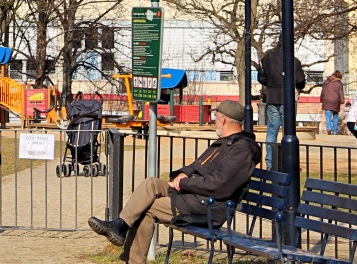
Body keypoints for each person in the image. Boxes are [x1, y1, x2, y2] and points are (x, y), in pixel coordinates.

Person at [88, 100, 260, 264]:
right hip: (193, 195)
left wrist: (184, 184)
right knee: (151, 184)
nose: (214, 121)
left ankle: (131, 256)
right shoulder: (225, 143)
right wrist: (182, 174)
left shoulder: (241, 149)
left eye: (216, 117)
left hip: (206, 207)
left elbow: (219, 185)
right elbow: (196, 166)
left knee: (146, 209)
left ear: (223, 119)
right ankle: (120, 225)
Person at [257, 44, 307, 169]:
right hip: (288, 99)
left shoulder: (266, 60)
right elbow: (300, 80)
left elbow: (261, 78)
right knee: (288, 131)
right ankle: (288, 160)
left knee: (272, 131)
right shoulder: (293, 60)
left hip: (272, 97)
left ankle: (270, 163)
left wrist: (271, 84)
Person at [320, 70, 345, 135]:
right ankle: (334, 131)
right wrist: (342, 101)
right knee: (335, 115)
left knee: (328, 114)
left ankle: (328, 127)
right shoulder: (339, 83)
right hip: (335, 101)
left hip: (327, 100)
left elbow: (323, 92)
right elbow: (341, 93)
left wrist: (321, 100)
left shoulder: (326, 82)